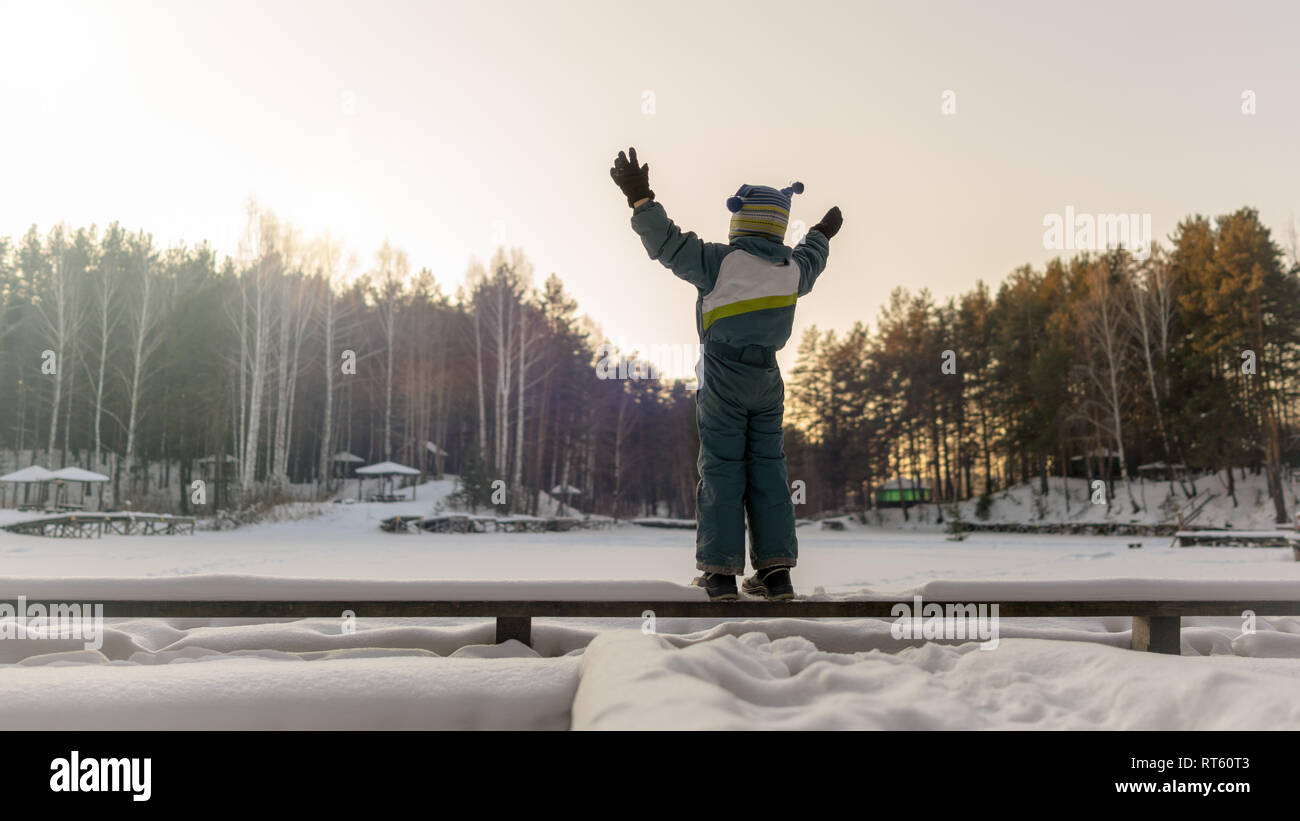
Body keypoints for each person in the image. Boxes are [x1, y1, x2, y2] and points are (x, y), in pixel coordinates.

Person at [609, 146, 842, 600]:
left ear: (740, 222)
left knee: (721, 470)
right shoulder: (790, 269)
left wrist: (640, 199)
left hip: (723, 380)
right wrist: (820, 233)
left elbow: (668, 243)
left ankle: (720, 573)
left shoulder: (718, 262)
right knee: (770, 471)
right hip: (768, 382)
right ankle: (776, 573)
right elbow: (812, 259)